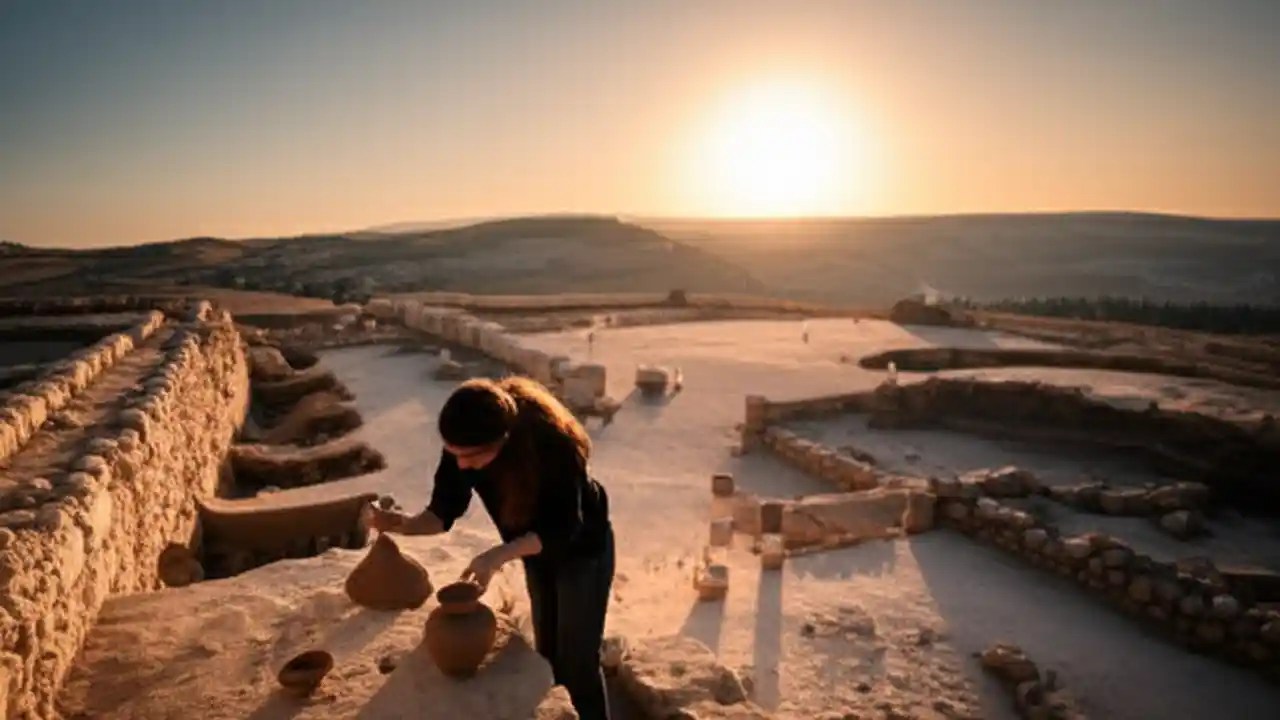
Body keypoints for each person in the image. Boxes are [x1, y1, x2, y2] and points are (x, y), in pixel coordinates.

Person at [364, 376, 614, 720]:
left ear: (503, 442)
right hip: (534, 551)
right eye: (455, 455)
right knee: (547, 656)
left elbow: (563, 530)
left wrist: (495, 557)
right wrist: (402, 524)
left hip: (581, 548)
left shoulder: (552, 444)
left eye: (470, 457)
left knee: (578, 662)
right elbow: (441, 513)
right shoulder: (463, 444)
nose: (462, 465)